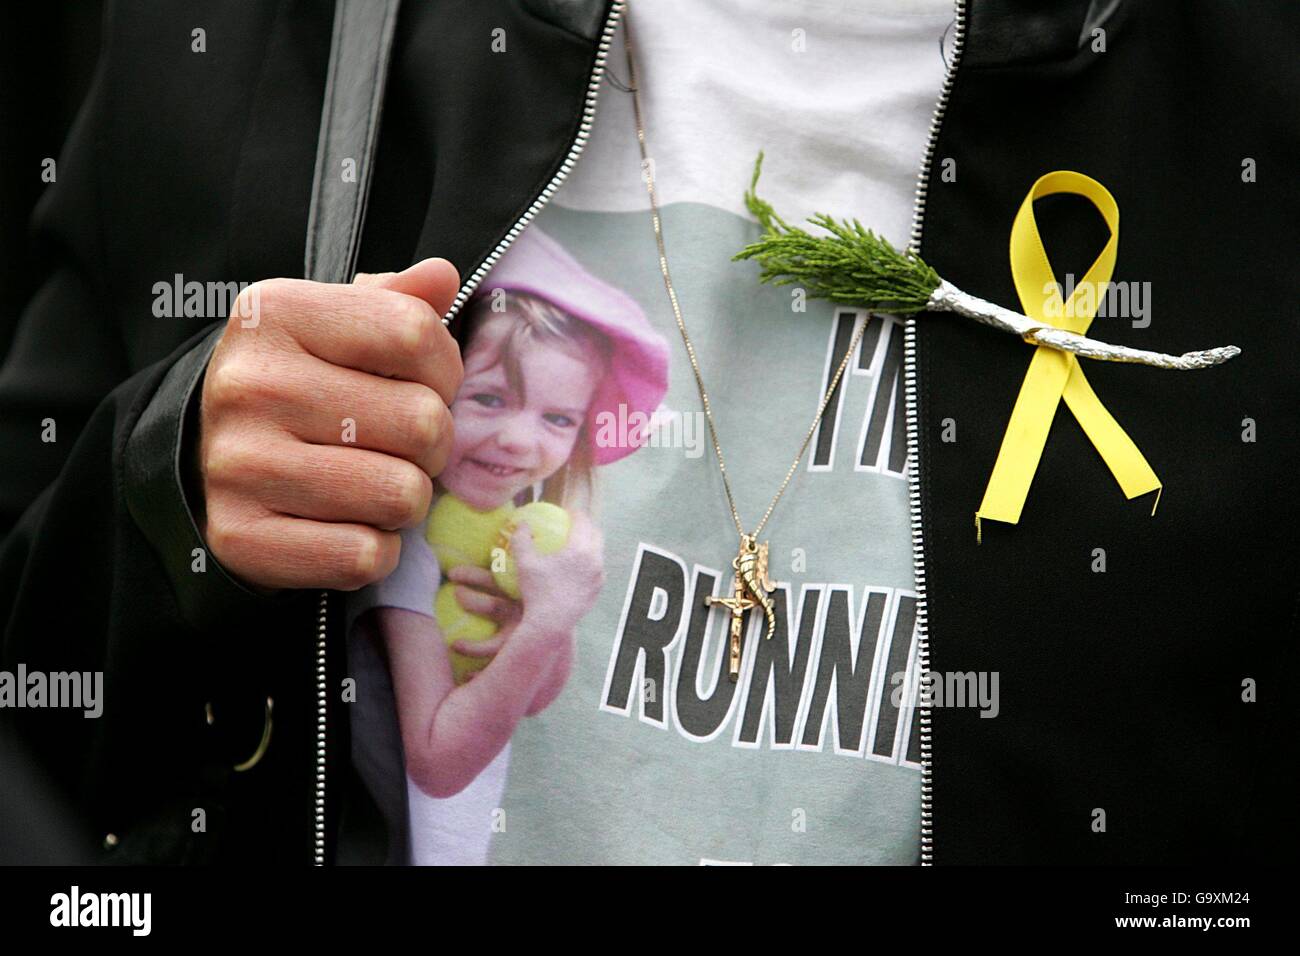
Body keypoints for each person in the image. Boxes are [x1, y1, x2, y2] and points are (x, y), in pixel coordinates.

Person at [0, 0, 1293, 866]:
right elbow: (36, 707)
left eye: (552, 412)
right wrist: (167, 482)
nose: (514, 437)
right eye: (496, 400)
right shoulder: (268, 38)